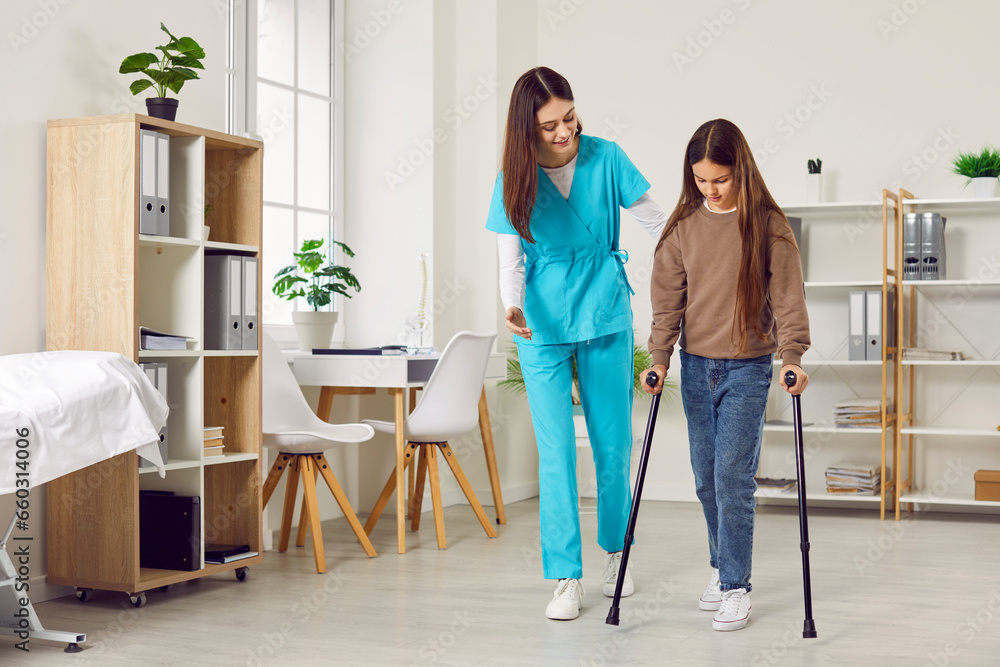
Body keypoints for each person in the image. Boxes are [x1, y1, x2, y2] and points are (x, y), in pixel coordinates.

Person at [486, 66, 668, 621]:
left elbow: (658, 223)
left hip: (606, 314)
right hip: (539, 324)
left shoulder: (607, 157)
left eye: (569, 117)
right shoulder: (512, 178)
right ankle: (566, 576)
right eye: (549, 125)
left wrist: (690, 271)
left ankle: (617, 552)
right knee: (556, 453)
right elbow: (510, 261)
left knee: (613, 446)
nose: (564, 132)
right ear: (526, 128)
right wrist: (511, 306)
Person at [642, 118, 811, 632]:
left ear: (741, 170)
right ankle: (721, 568)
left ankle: (736, 585)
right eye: (700, 180)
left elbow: (788, 299)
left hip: (749, 369)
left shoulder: (768, 226)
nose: (710, 190)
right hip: (695, 368)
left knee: (732, 479)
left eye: (720, 179)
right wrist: (658, 358)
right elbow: (668, 304)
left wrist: (793, 358)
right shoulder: (681, 230)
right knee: (704, 480)